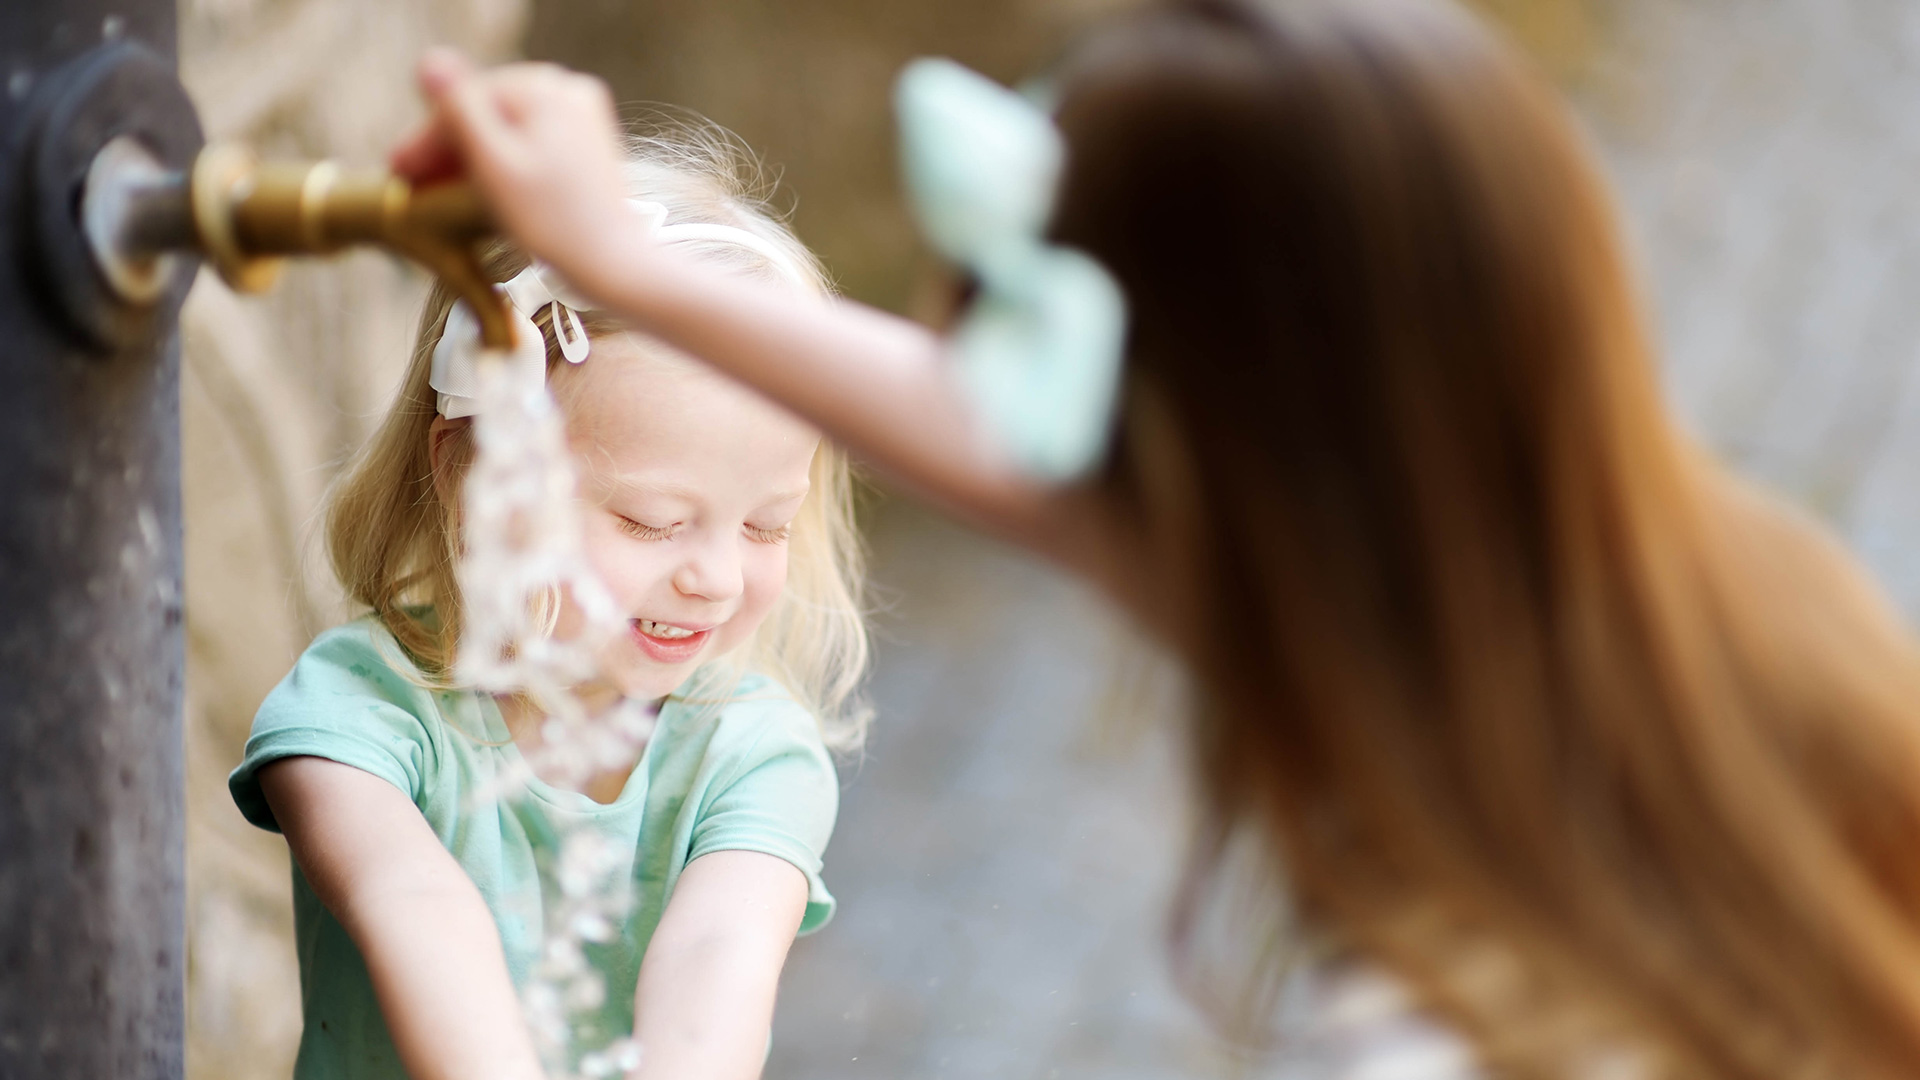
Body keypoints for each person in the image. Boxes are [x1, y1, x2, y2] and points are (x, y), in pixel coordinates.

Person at [389, 0, 1920, 1076]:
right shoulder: (1731, 610)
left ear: (1190, 502)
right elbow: (1035, 442)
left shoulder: (1448, 1021)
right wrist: (620, 264)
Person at [227, 131, 871, 1080]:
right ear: (480, 479)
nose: (719, 579)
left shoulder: (754, 755)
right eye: (653, 522)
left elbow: (715, 966)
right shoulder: (356, 716)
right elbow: (417, 909)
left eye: (767, 526)